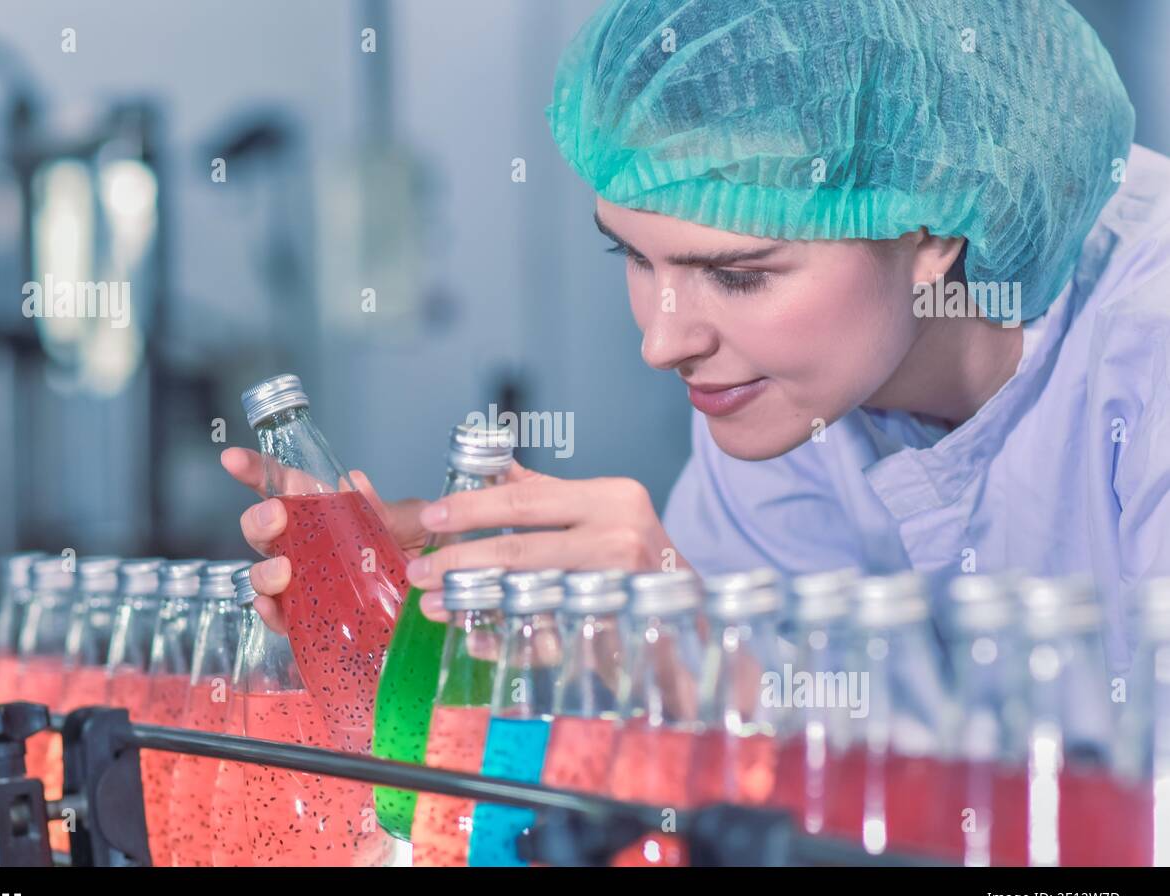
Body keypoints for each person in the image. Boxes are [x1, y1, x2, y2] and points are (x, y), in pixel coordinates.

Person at [225, 0, 1167, 673]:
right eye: (634, 258)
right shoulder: (783, 400)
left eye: (738, 273)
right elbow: (793, 784)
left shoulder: (1148, 353)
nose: (662, 343)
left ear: (934, 233)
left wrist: (694, 643)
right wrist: (467, 617)